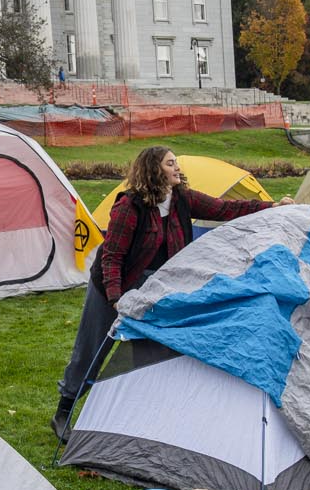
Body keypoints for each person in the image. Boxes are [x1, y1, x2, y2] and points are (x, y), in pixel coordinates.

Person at [51, 146, 277, 442]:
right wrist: (116, 299)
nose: (177, 169)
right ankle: (64, 411)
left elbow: (224, 209)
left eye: (176, 163)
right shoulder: (129, 207)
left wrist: (270, 207)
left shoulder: (182, 198)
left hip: (154, 288)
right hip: (113, 284)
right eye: (171, 164)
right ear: (154, 170)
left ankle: (131, 414)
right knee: (94, 348)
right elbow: (112, 258)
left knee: (150, 351)